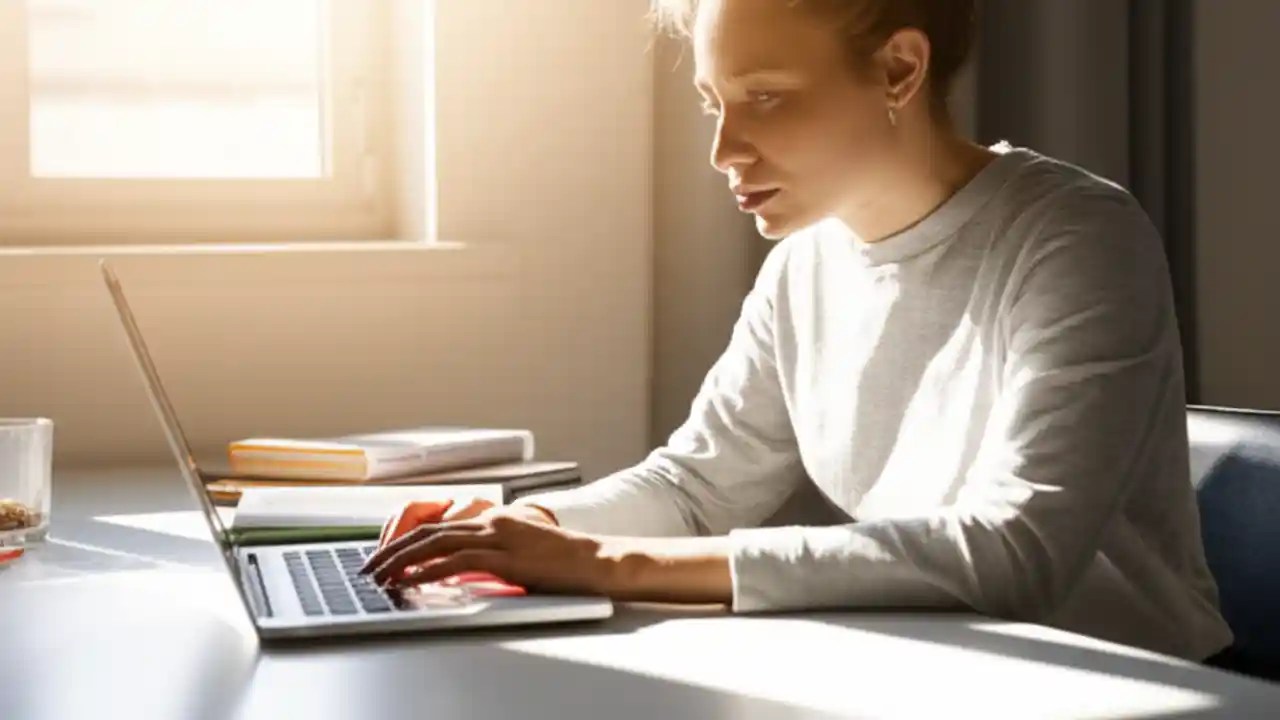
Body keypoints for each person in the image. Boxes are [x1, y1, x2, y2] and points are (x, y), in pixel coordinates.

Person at [361, 0, 1232, 661]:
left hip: (1125, 682)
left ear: (899, 70)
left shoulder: (1075, 236)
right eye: (714, 105)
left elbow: (1013, 553)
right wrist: (526, 525)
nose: (724, 150)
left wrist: (605, 563)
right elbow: (697, 488)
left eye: (765, 99)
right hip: (942, 671)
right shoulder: (805, 263)